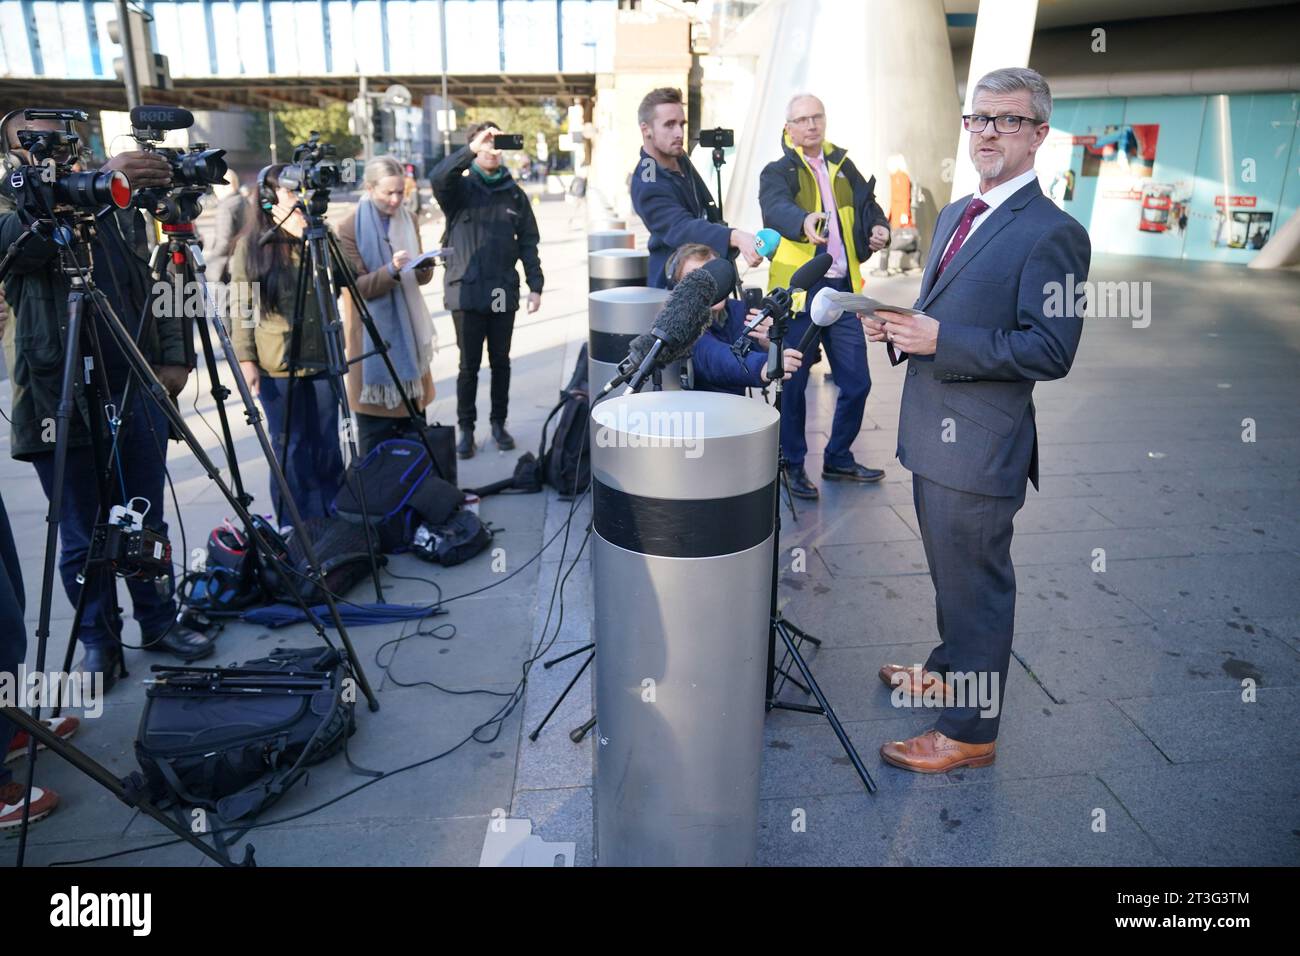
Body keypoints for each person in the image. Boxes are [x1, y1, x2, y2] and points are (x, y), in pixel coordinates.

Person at [864, 67, 1090, 773]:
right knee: (949, 576)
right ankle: (947, 667)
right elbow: (946, 315)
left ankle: (969, 731)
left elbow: (1049, 350)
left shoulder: (1055, 234)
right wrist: (906, 328)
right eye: (978, 118)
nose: (988, 132)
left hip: (981, 449)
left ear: (1039, 133)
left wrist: (940, 340)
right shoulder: (957, 211)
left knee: (979, 589)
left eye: (1008, 120)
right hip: (935, 436)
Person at [0, 109, 214, 692]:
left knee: (143, 519)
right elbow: (17, 249)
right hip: (55, 395)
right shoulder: (11, 205)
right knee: (81, 534)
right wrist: (91, 193)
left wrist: (175, 355)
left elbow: (163, 279)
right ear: (14, 153)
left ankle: (159, 621)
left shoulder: (113, 196)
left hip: (133, 382)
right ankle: (99, 641)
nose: (53, 147)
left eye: (61, 135)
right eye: (34, 140)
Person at [759, 93, 891, 500]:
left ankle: (838, 457)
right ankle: (793, 466)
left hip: (841, 290)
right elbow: (774, 208)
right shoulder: (776, 171)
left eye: (817, 117)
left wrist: (879, 227)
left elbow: (869, 206)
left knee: (857, 381)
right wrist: (802, 220)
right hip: (798, 294)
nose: (811, 125)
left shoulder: (843, 166)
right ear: (789, 127)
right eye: (802, 119)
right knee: (794, 385)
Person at [229, 164, 345, 523]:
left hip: (323, 356)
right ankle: (295, 525)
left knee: (327, 444)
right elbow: (241, 306)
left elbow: (346, 278)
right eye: (290, 191)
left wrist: (310, 238)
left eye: (300, 191)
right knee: (291, 448)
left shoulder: (319, 235)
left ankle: (335, 517)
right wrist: (245, 359)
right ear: (268, 198)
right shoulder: (250, 245)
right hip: (277, 362)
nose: (298, 198)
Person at [431, 121, 543, 460]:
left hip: (501, 293)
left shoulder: (514, 194)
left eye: (498, 141)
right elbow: (438, 177)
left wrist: (535, 286)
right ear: (476, 146)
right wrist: (470, 150)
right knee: (468, 366)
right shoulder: (459, 191)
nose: (493, 148)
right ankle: (466, 429)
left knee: (500, 363)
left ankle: (498, 424)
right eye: (486, 142)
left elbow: (528, 243)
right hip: (465, 292)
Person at [336, 155, 438, 455]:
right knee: (375, 439)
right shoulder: (348, 228)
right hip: (371, 341)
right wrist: (391, 271)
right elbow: (358, 288)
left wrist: (424, 267)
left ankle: (416, 492)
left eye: (401, 192)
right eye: (388, 193)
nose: (396, 200)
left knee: (415, 432)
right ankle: (379, 496)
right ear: (369, 188)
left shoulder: (410, 218)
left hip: (410, 336)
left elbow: (420, 279)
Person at [630, 87, 762, 290]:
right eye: (669, 125)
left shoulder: (678, 157)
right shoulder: (647, 180)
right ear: (645, 129)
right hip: (673, 286)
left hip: (703, 274)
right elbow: (680, 227)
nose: (679, 133)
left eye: (681, 124)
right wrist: (734, 236)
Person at [667, 243, 802, 393]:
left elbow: (786, 360)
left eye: (715, 274)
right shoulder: (680, 322)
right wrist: (763, 365)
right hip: (700, 412)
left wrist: (772, 342)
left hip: (738, 410)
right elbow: (713, 357)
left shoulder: (739, 309)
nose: (711, 284)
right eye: (697, 278)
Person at [204, 169, 247, 287]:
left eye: (215, 188)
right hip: (244, 260)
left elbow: (224, 241)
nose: (215, 192)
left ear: (224, 186)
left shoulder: (226, 206)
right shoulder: (243, 201)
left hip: (227, 267)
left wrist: (210, 259)